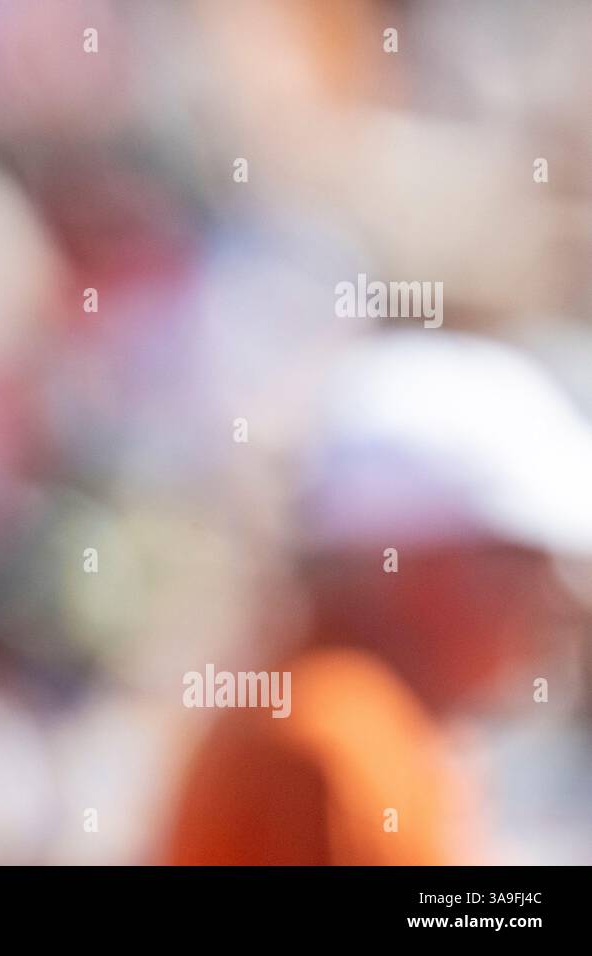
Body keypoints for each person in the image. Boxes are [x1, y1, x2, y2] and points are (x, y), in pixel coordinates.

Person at [153, 331, 592, 865]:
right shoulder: (328, 740)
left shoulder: (377, 730)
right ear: (415, 563)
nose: (564, 596)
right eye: (523, 559)